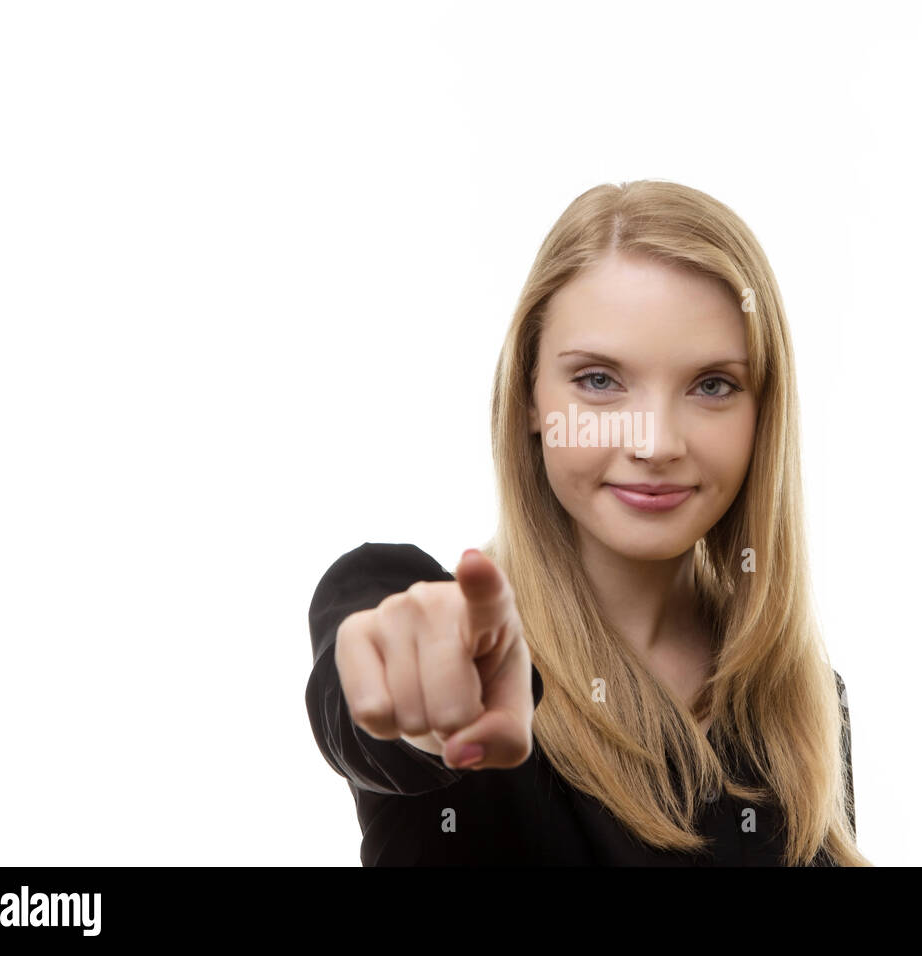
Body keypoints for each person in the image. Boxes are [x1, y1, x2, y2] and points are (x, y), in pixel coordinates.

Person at [304, 179, 869, 866]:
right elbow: (370, 710)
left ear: (762, 417)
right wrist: (421, 701)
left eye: (713, 385)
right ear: (530, 401)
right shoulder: (418, 609)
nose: (657, 442)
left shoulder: (806, 701)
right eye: (599, 381)